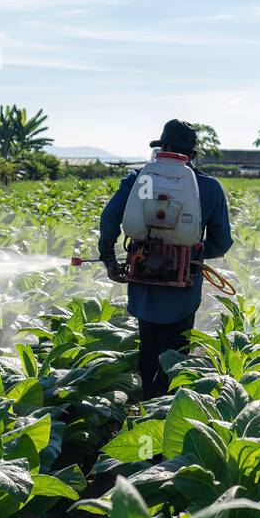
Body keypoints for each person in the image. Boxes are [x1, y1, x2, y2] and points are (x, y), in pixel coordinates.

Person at [98, 119, 233, 399]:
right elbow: (221, 242)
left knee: (148, 344)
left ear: (162, 148)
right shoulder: (209, 187)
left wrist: (109, 258)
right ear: (192, 155)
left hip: (144, 280)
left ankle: (148, 398)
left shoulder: (139, 179)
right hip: (182, 287)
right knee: (176, 352)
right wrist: (192, 253)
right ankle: (168, 405)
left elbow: (110, 217)